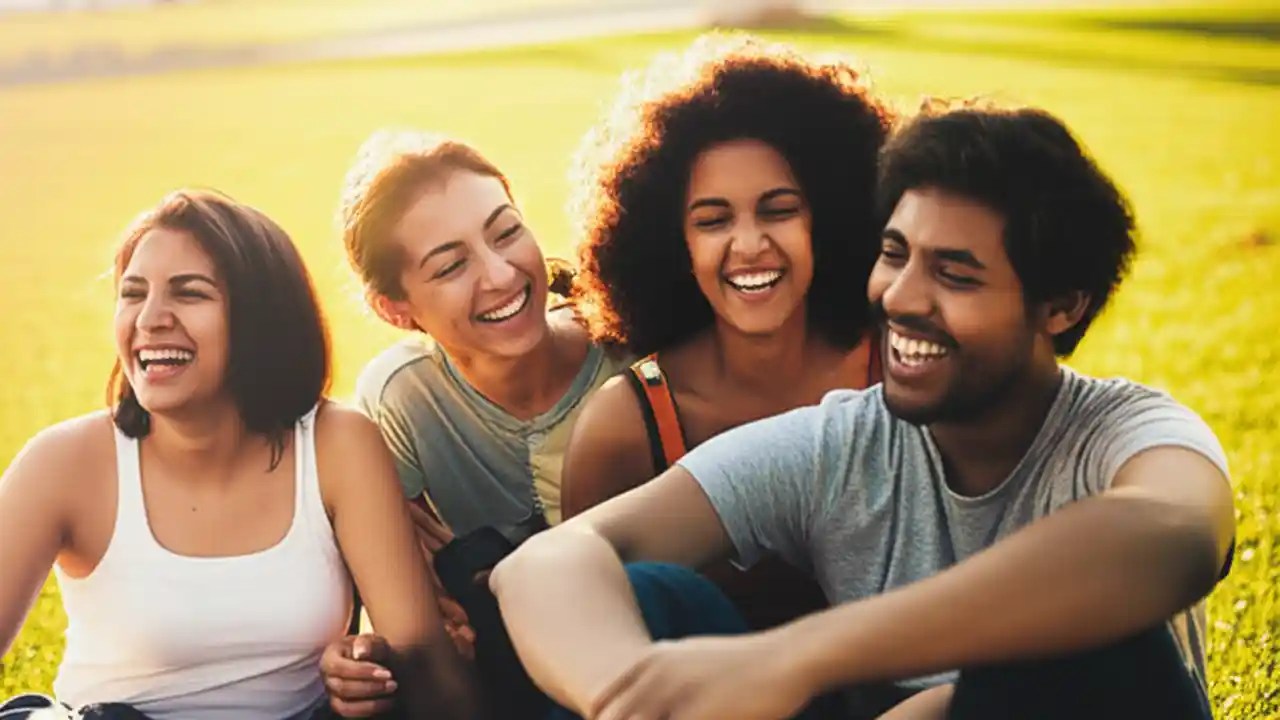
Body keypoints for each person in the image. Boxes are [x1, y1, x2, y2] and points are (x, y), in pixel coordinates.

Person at [489, 103, 1235, 720]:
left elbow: (1165, 537)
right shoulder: (840, 441)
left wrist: (797, 656)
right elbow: (547, 562)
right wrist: (635, 696)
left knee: (1087, 649)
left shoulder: (1130, 435)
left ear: (1059, 306)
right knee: (653, 597)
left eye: (955, 273)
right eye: (895, 253)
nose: (903, 297)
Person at [0, 190, 476, 720]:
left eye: (190, 294)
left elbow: (424, 666)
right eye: (133, 294)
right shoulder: (65, 463)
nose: (150, 318)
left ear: (260, 319)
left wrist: (370, 674)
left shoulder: (336, 446)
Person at [561, 34, 893, 631]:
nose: (749, 245)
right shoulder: (627, 426)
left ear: (831, 218)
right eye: (713, 221)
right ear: (674, 245)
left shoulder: (898, 370)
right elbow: (584, 625)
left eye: (779, 209)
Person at [319, 131, 627, 717]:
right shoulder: (403, 400)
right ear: (394, 307)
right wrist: (356, 661)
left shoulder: (627, 349)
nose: (501, 274)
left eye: (507, 232)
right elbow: (413, 607)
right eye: (452, 265)